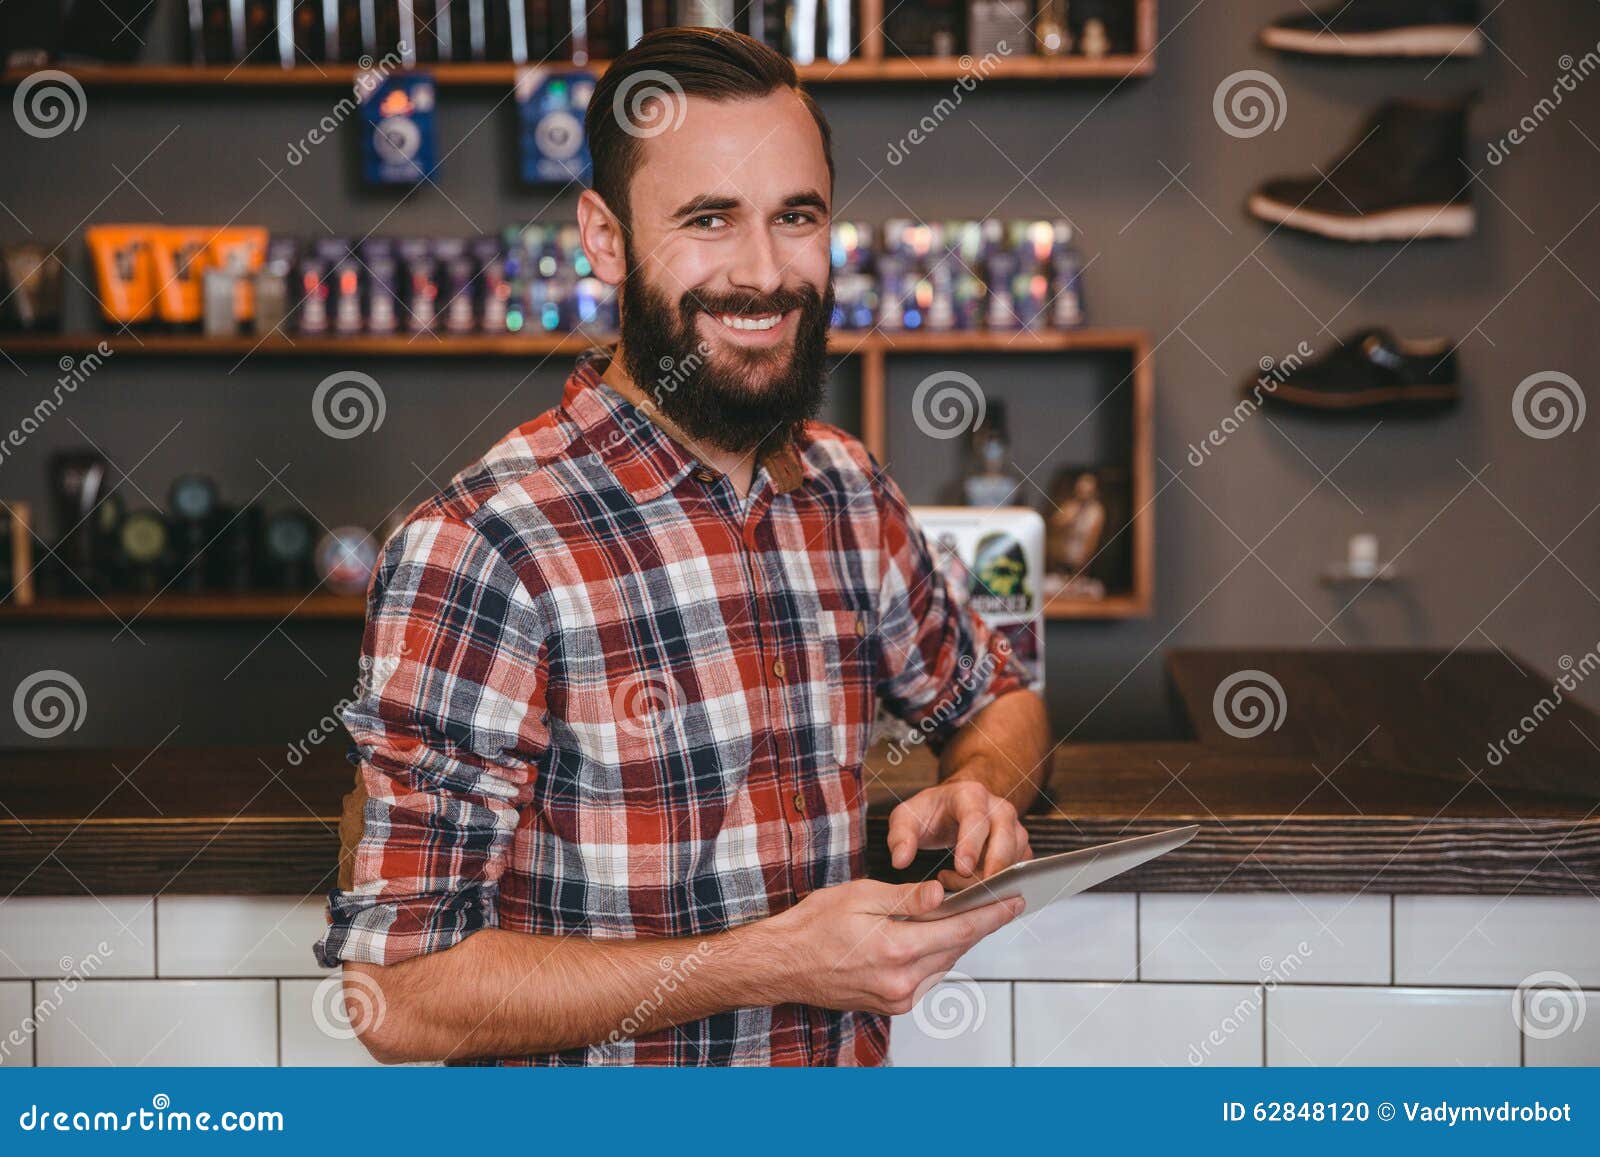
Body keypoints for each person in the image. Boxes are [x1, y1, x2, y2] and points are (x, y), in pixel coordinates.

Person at [314, 26, 1051, 1067]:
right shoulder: (484, 545)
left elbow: (998, 698)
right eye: (709, 219)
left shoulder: (846, 489)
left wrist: (982, 789)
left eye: (795, 217)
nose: (763, 273)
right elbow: (398, 995)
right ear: (605, 240)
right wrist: (771, 960)